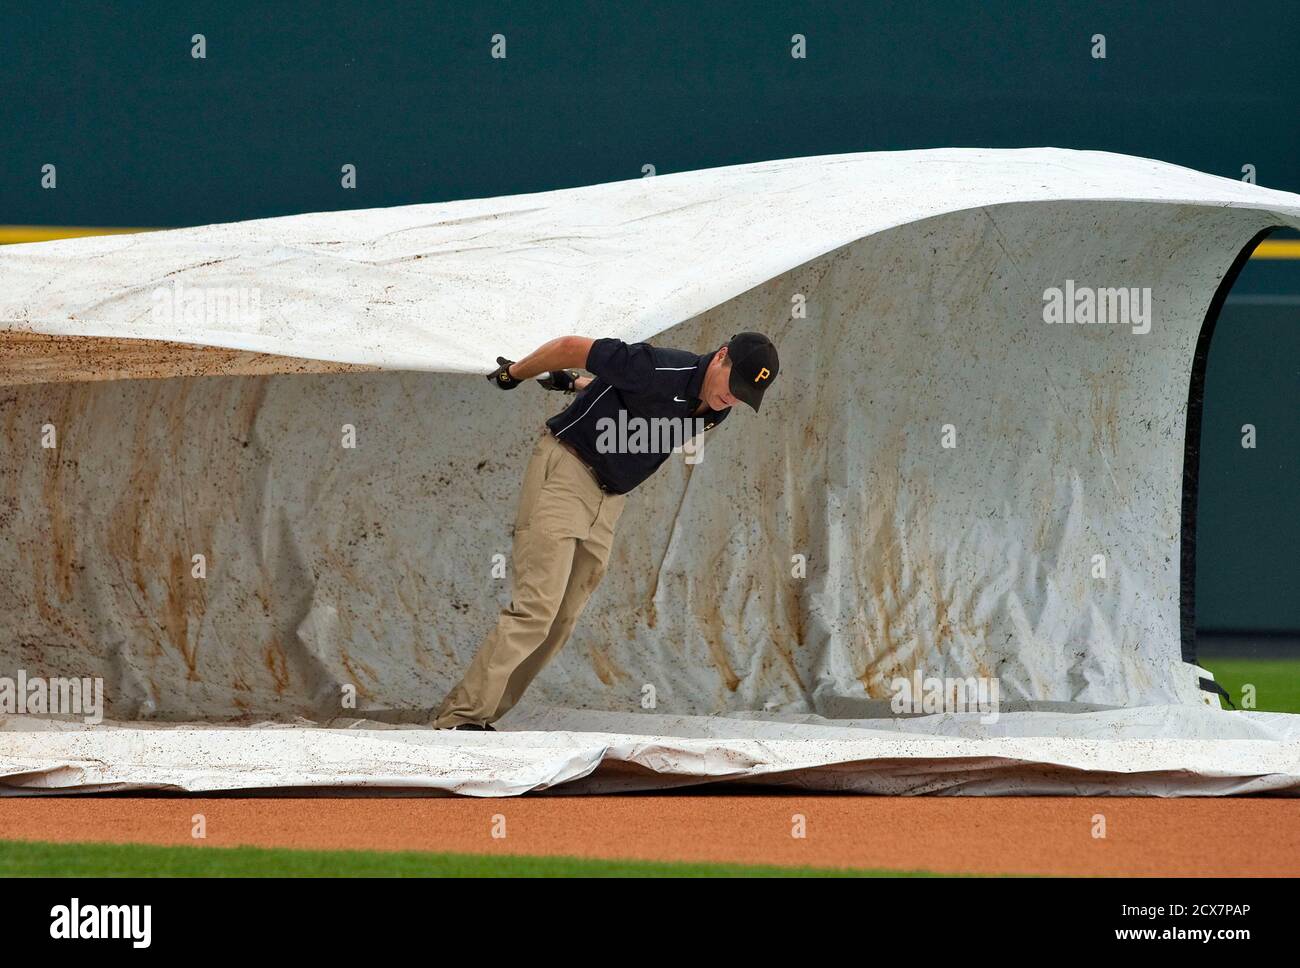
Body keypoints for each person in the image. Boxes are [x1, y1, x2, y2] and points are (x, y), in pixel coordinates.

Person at [433, 332, 780, 730]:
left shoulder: (716, 407)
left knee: (562, 620)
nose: (732, 399)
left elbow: (641, 405)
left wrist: (576, 384)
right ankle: (461, 717)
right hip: (568, 473)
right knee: (536, 609)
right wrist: (515, 374)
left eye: (743, 396)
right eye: (733, 386)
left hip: (609, 501)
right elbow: (570, 347)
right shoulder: (655, 366)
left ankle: (483, 720)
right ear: (721, 357)